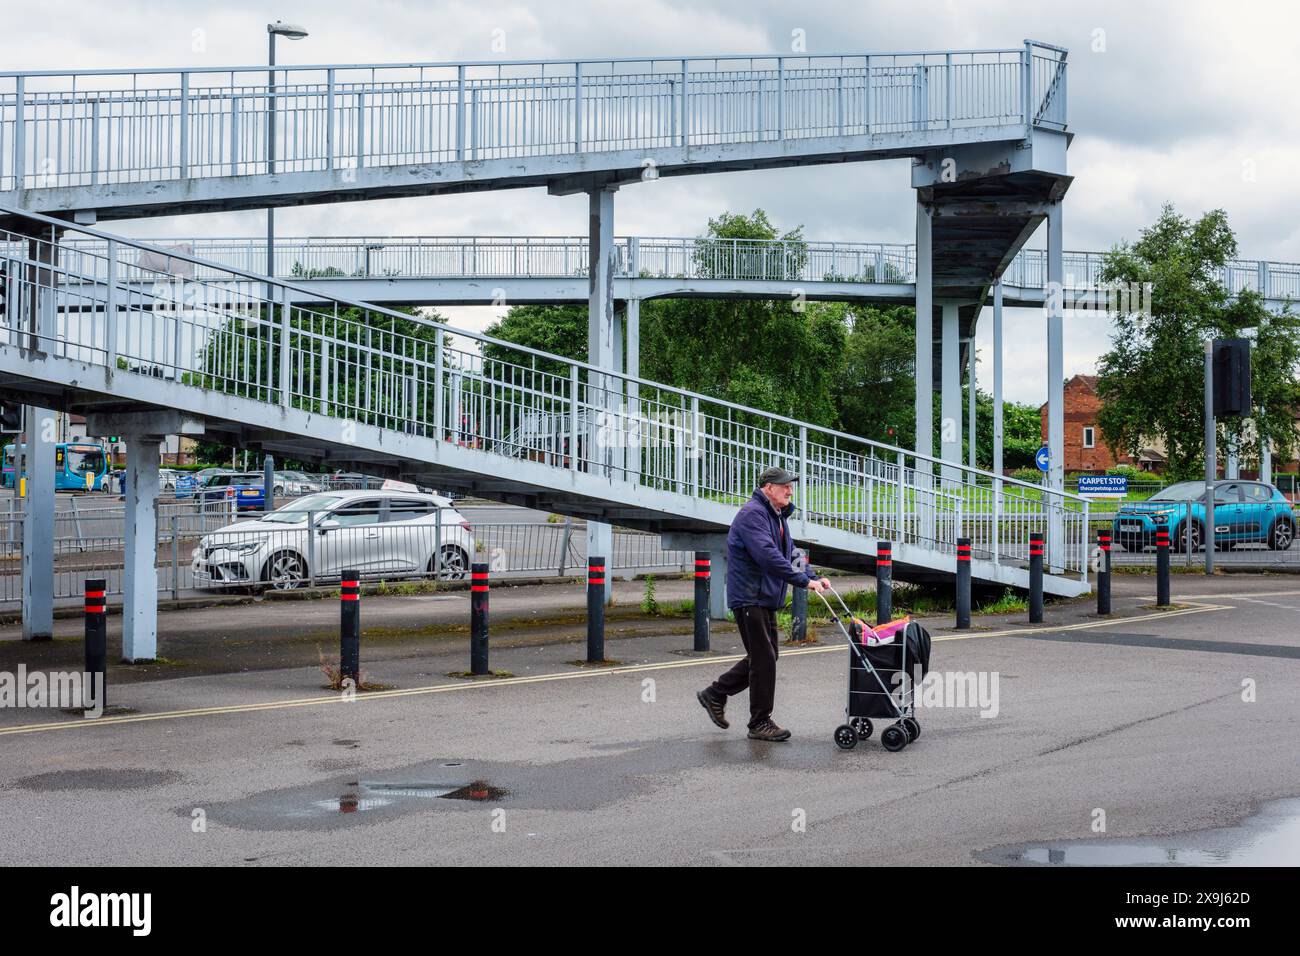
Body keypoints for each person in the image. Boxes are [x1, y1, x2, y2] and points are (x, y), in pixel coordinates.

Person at [697, 465, 830, 742]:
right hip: (749, 596)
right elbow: (768, 556)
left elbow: (790, 552)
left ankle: (715, 694)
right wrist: (803, 583)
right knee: (764, 657)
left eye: (791, 485)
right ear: (768, 488)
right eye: (784, 485)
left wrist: (813, 576)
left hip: (764, 597)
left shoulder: (777, 516)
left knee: (766, 657)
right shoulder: (752, 515)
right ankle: (759, 722)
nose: (789, 490)